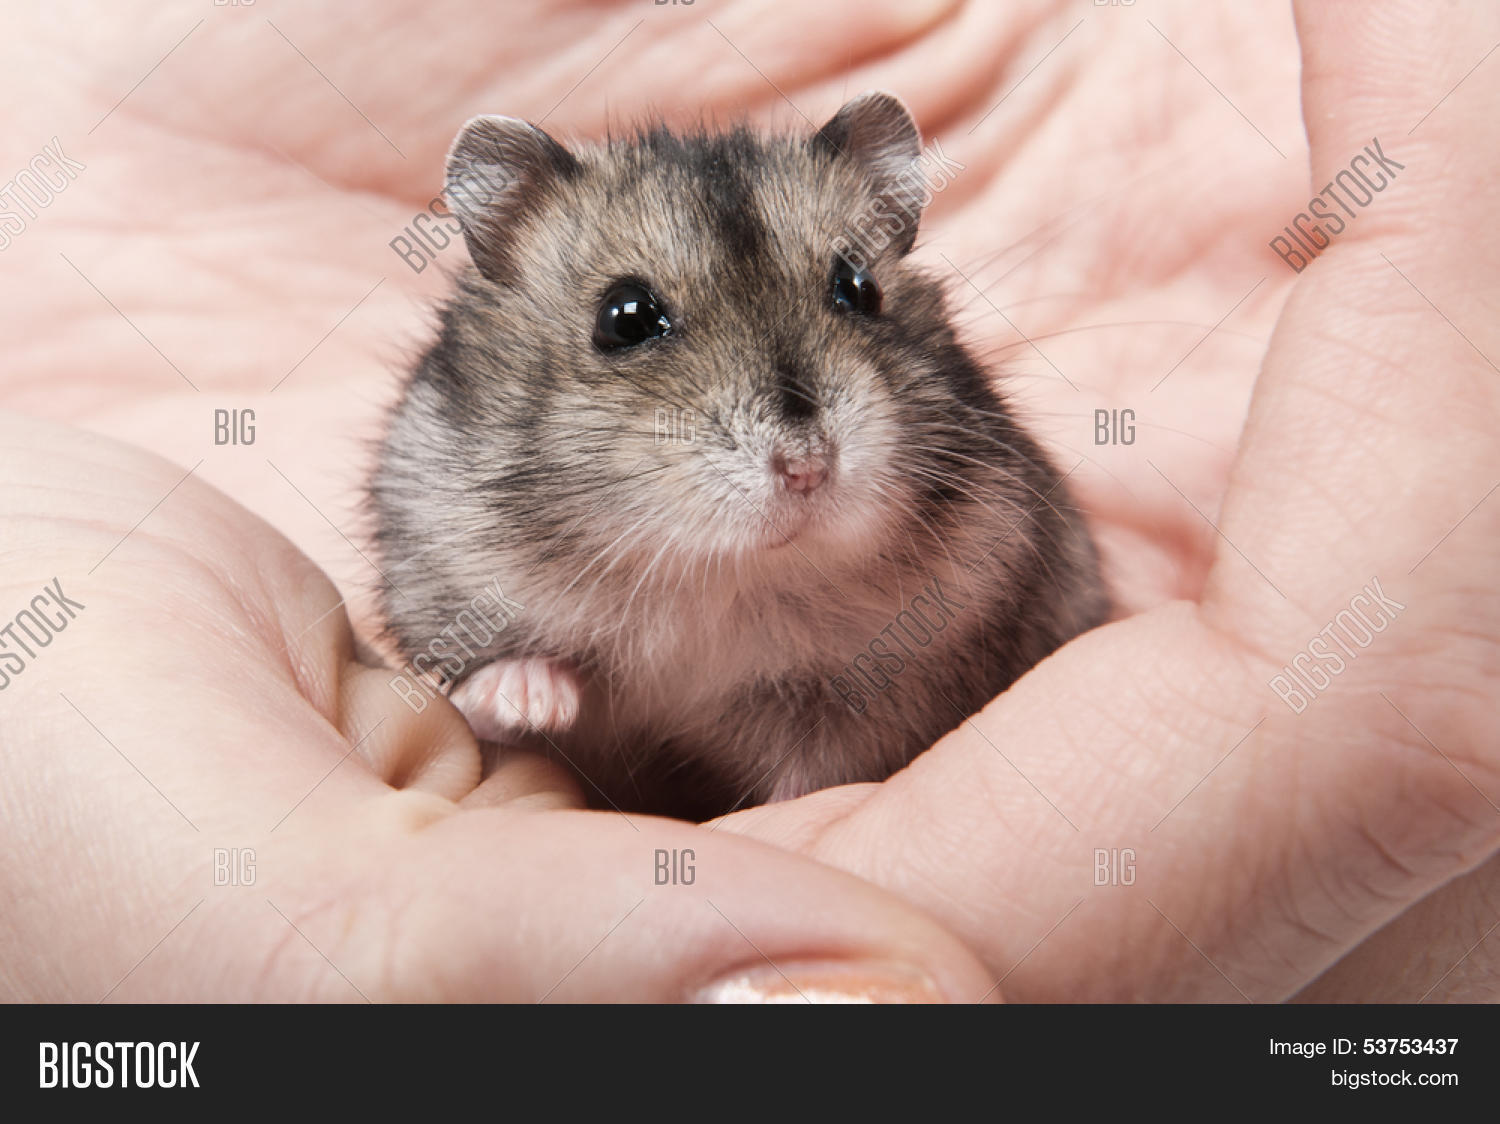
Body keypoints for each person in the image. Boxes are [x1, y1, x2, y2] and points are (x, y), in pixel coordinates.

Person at [1, 0, 1495, 1001]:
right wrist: (499, 674)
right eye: (636, 324)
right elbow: (434, 568)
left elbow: (989, 577)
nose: (796, 443)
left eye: (851, 292)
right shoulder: (469, 483)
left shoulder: (954, 507)